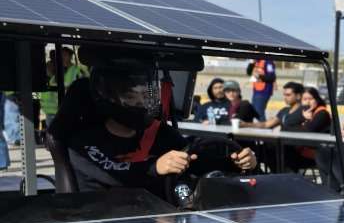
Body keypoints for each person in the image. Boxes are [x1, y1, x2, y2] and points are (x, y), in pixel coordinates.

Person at [62, 55, 256, 198]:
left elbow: (193, 157)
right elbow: (115, 172)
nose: (141, 104)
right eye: (131, 98)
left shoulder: (160, 134)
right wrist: (156, 166)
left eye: (146, 97)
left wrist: (235, 161)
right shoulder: (83, 143)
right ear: (108, 97)